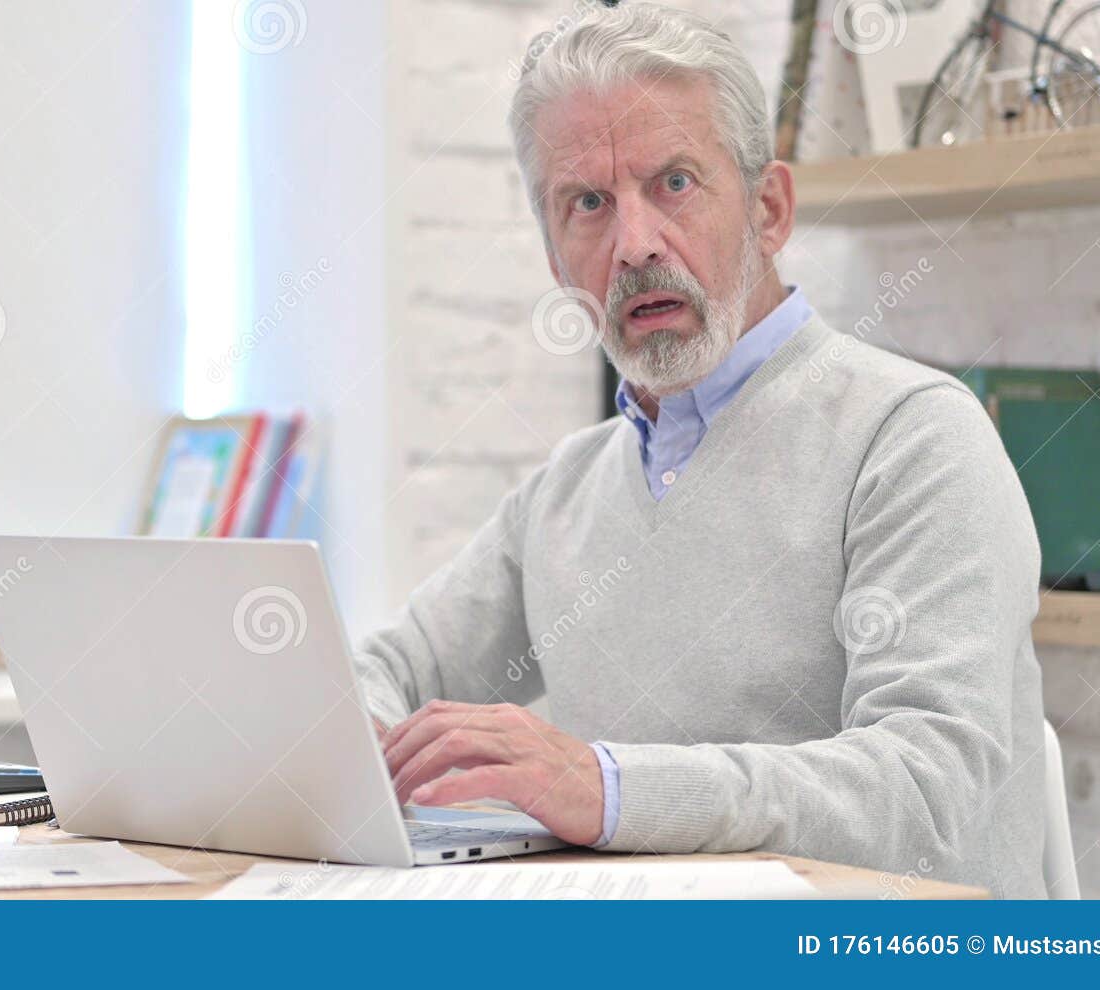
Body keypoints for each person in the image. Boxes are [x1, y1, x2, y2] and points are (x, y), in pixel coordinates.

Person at [355, 3, 1046, 897]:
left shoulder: (914, 439)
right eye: (589, 204)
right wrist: (345, 746)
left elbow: (925, 789)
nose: (634, 243)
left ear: (768, 210)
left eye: (674, 183)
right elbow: (396, 672)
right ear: (556, 257)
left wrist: (603, 787)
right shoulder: (567, 492)